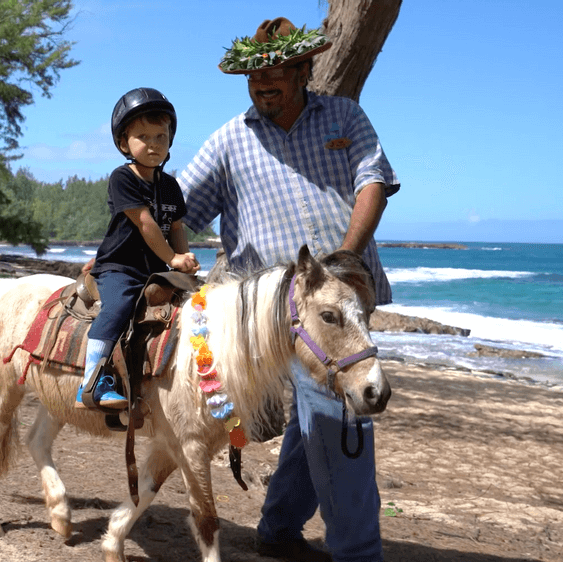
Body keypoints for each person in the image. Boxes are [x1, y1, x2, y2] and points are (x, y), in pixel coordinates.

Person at [178, 17, 399, 562]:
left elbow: (373, 181)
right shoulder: (230, 140)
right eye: (253, 77)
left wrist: (345, 260)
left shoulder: (345, 116)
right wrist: (134, 229)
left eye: (273, 73)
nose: (261, 85)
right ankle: (357, 552)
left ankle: (278, 529)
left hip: (342, 305)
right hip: (278, 316)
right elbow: (178, 208)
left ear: (303, 70)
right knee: (337, 412)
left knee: (318, 416)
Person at [76, 87, 200, 410]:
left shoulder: (170, 186)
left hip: (154, 270)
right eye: (143, 136)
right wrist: (173, 257)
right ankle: (91, 382)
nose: (154, 144)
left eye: (161, 136)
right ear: (123, 143)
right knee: (119, 307)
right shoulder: (123, 179)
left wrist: (182, 265)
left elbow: (176, 228)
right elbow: (146, 223)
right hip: (121, 267)